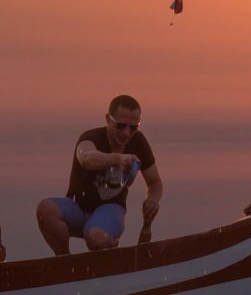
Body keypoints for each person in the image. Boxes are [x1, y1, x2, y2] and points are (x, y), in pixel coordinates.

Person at [36, 94, 164, 254]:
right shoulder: (90, 138)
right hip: (78, 207)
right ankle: (64, 260)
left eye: (133, 127)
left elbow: (155, 183)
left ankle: (109, 249)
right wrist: (117, 159)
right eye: (120, 126)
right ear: (108, 120)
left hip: (110, 210)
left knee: (96, 238)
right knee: (46, 210)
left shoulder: (138, 142)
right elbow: (86, 158)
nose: (126, 133)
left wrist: (152, 200)